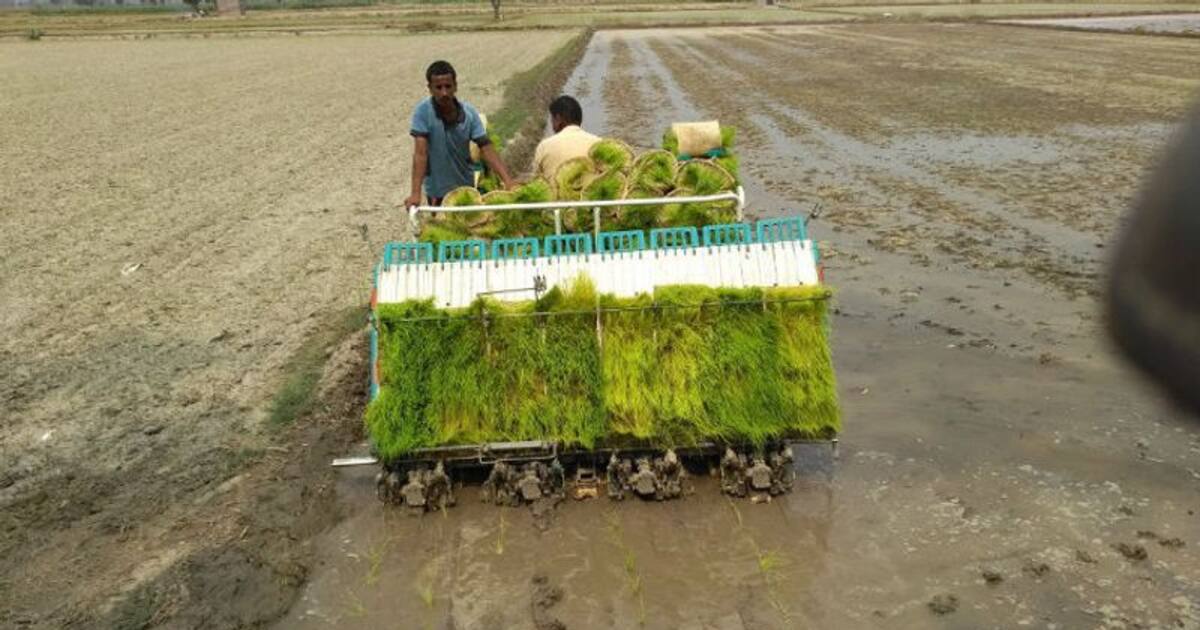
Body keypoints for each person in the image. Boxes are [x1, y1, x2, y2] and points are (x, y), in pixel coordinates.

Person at [404, 60, 514, 208]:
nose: (444, 92)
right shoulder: (423, 112)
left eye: (448, 86)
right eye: (438, 87)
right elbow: (420, 153)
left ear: (455, 86)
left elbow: (486, 146)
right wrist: (415, 194)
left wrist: (508, 180)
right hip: (437, 191)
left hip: (465, 187)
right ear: (430, 88)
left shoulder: (469, 113)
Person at [532, 95, 601, 181]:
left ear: (558, 119)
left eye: (552, 120)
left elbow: (536, 182)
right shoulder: (597, 143)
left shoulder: (544, 146)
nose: (552, 125)